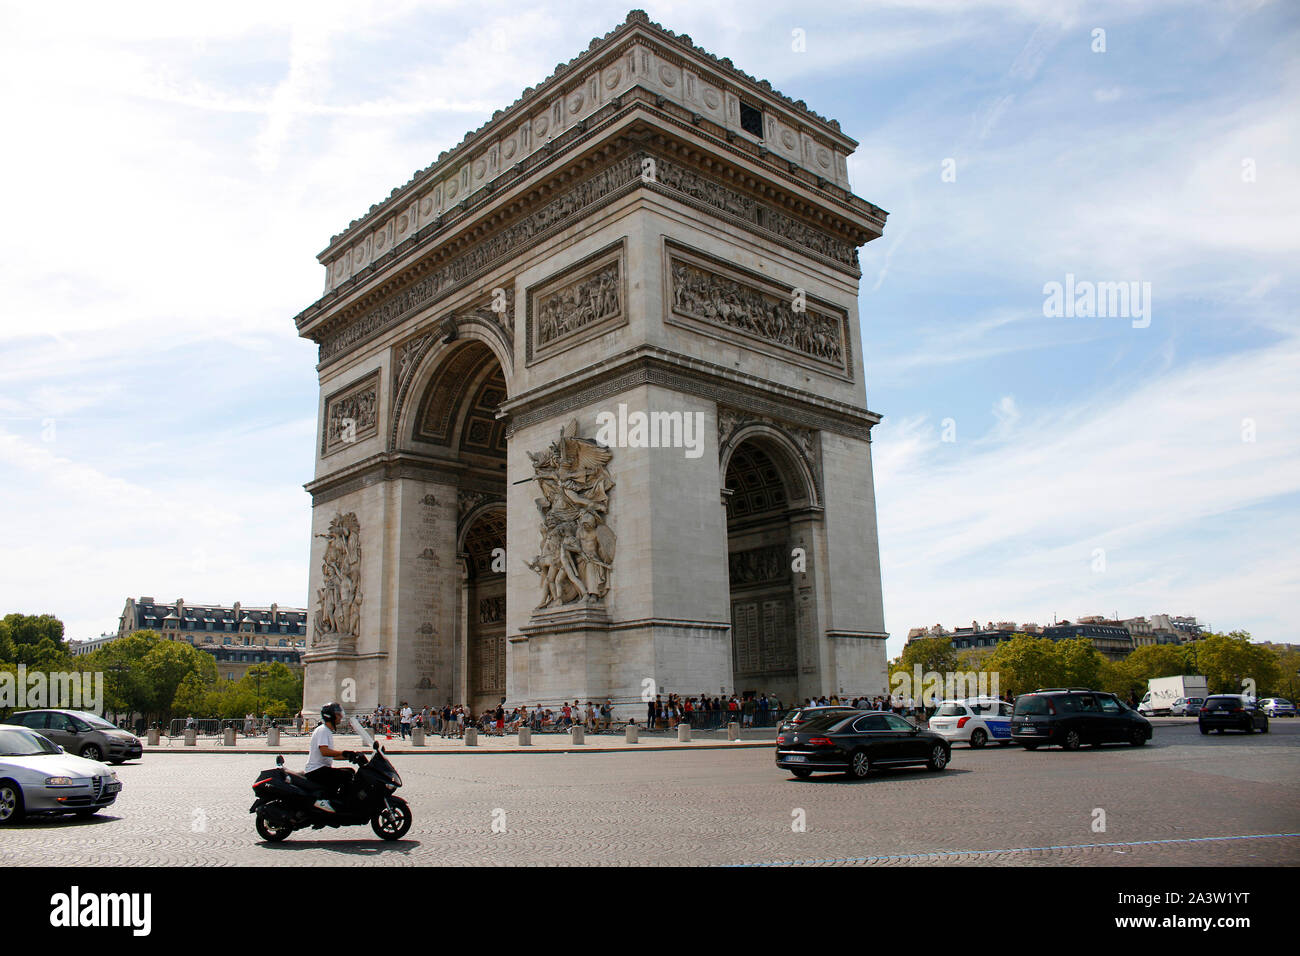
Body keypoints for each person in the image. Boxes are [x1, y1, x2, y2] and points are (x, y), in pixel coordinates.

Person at [305, 702, 355, 813]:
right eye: (338, 715)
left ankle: (335, 801)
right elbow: (324, 751)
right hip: (316, 770)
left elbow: (332, 756)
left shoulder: (326, 731)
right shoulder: (323, 730)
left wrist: (350, 756)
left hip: (320, 768)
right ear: (331, 716)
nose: (340, 717)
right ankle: (327, 801)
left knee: (350, 771)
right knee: (346, 775)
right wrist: (344, 752)